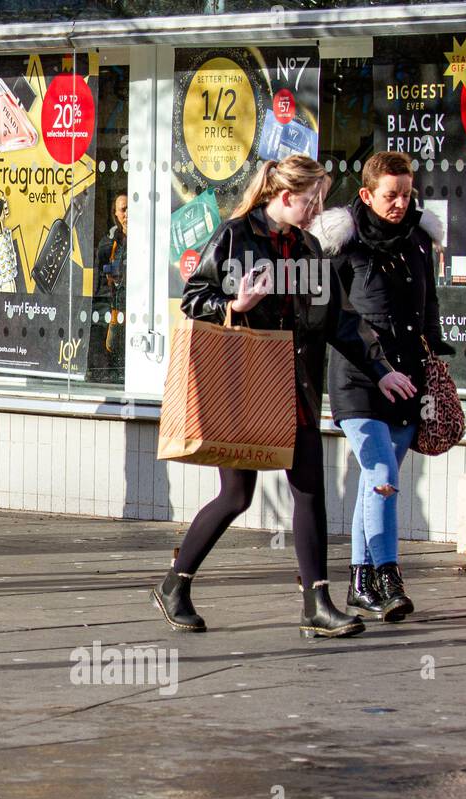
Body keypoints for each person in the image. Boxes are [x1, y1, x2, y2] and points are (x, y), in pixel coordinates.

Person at [150, 154, 416, 639]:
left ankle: (317, 603)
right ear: (285, 195)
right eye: (313, 199)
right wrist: (234, 303)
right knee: (236, 496)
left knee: (309, 492)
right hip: (245, 388)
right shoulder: (236, 237)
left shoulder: (312, 250)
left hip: (297, 390)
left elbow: (341, 322)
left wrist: (380, 371)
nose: (318, 208)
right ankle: (175, 584)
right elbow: (193, 299)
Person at [313, 151, 453, 622]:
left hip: (408, 381)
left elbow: (428, 302)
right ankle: (389, 580)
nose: (399, 203)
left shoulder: (418, 238)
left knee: (379, 484)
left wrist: (435, 352)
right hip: (358, 378)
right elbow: (332, 318)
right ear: (366, 194)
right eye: (390, 195)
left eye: (407, 194)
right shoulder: (343, 244)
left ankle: (358, 583)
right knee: (382, 478)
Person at [90, 193, 128, 382]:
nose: (127, 214)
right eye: (123, 210)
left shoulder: (146, 237)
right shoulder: (108, 243)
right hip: (114, 306)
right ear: (115, 214)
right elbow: (102, 278)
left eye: (130, 208)